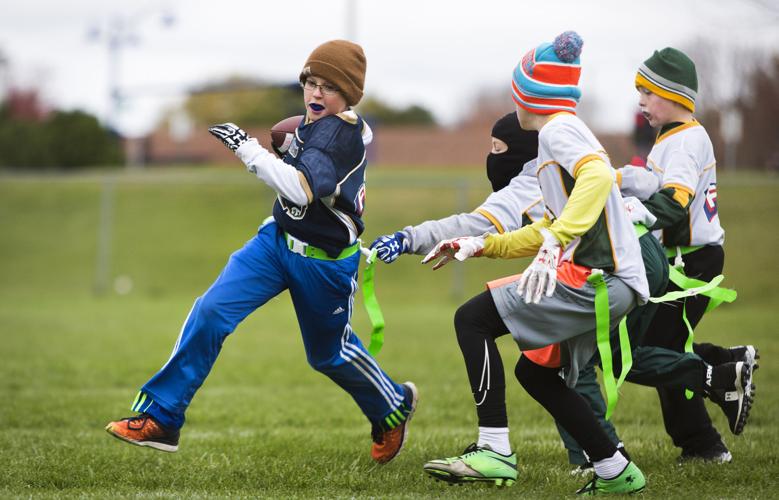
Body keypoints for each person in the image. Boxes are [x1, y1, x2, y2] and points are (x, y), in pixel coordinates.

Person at [371, 112, 753, 474]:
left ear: (524, 150)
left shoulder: (530, 179)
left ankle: (604, 452)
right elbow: (637, 180)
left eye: (498, 149)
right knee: (569, 363)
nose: (492, 159)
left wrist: (409, 238)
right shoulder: (565, 163)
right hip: (637, 254)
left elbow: (471, 223)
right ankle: (702, 399)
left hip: (612, 263)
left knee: (576, 361)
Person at [104, 40, 418, 465]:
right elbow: (299, 182)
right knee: (211, 311)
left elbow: (301, 191)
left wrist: (247, 149)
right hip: (274, 243)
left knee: (328, 355)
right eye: (311, 82)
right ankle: (162, 417)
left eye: (329, 86)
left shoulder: (341, 135)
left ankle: (392, 405)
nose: (315, 93)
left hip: (322, 263)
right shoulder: (313, 124)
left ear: (349, 94)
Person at [416, 31, 649, 495]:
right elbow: (548, 227)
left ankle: (494, 450)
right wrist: (480, 245)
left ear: (529, 93)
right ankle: (614, 469)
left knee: (472, 319)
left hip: (599, 277)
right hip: (614, 281)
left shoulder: (559, 128)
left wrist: (559, 239)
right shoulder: (557, 141)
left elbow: (599, 177)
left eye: (516, 88)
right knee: (535, 372)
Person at [628, 47, 757, 462]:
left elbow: (675, 202)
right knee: (655, 349)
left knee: (656, 355)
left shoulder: (683, 143)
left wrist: (633, 211)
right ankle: (727, 363)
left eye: (647, 92)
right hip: (684, 259)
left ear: (673, 95)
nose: (641, 102)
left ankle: (705, 440)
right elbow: (657, 186)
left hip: (691, 262)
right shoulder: (675, 137)